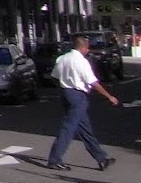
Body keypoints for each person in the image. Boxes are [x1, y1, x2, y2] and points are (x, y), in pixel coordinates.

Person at [47, 34, 118, 172]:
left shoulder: (62, 58)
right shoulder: (81, 61)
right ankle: (54, 159)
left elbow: (54, 77)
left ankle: (101, 159)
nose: (88, 50)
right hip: (78, 96)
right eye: (87, 48)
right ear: (83, 47)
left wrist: (65, 86)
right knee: (68, 128)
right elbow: (92, 82)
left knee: (85, 129)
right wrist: (109, 96)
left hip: (66, 93)